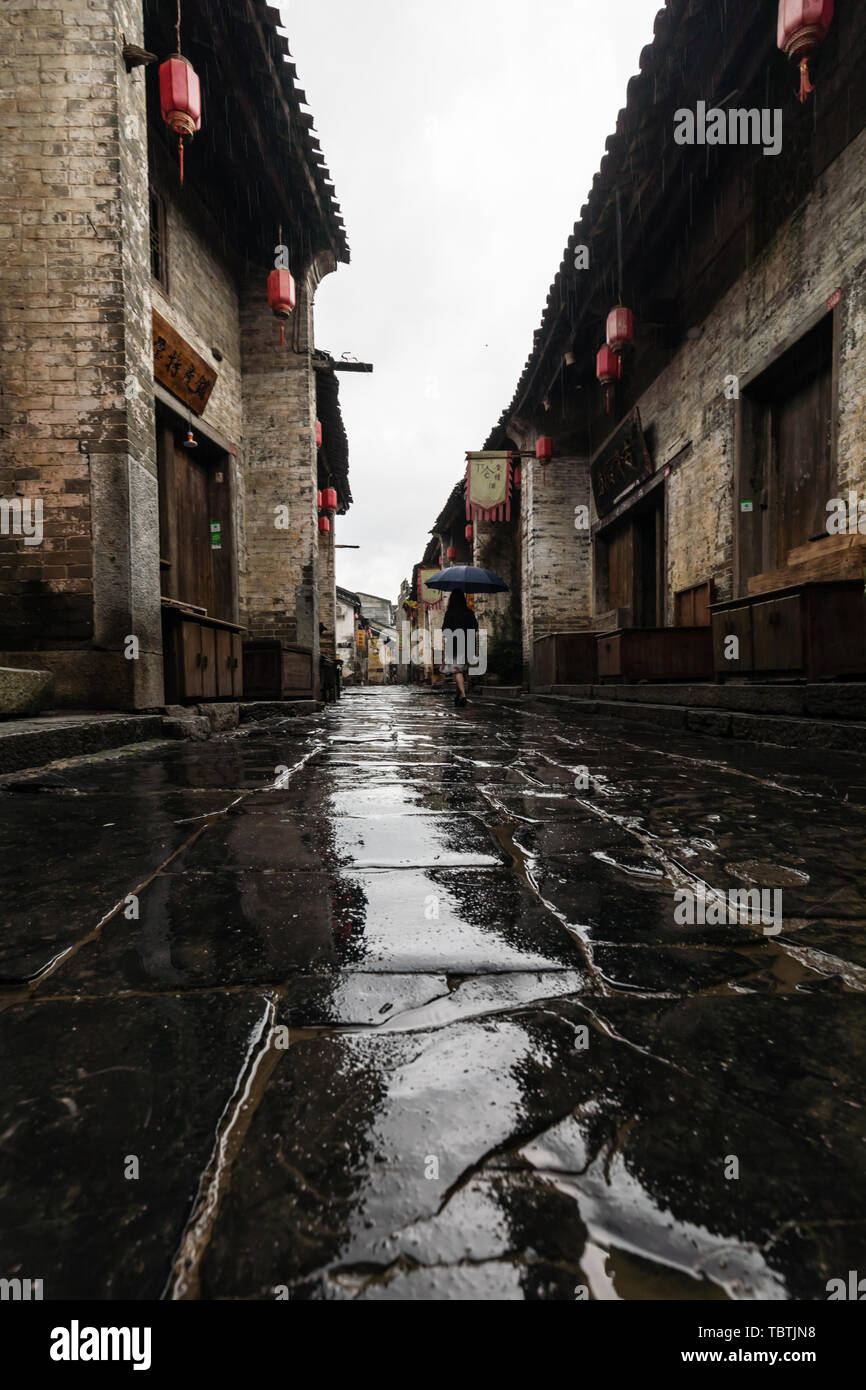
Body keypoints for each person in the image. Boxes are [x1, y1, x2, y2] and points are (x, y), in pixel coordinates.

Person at [440, 590, 478, 707]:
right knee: (461, 670)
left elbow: (444, 630)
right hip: (468, 644)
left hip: (454, 645)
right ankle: (458, 695)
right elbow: (475, 627)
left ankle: (463, 695)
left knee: (457, 670)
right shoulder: (469, 612)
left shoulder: (449, 613)